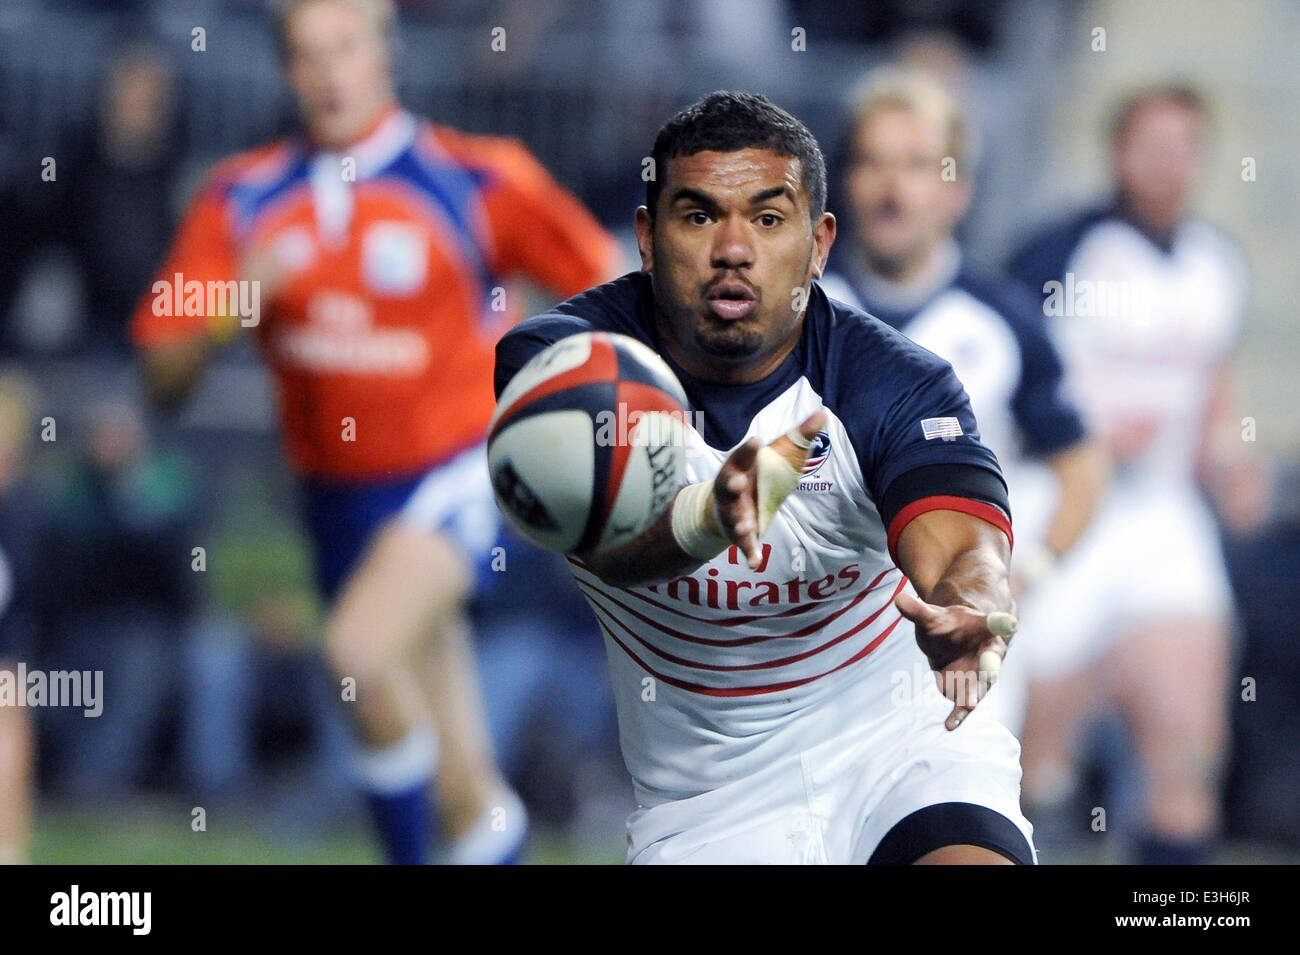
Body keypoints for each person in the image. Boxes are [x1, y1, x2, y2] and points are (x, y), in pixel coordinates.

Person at [130, 0, 618, 864]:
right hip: (333, 500)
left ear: (385, 55)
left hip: (456, 472)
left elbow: (609, 284)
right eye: (306, 55)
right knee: (458, 783)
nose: (329, 73)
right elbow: (159, 373)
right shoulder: (242, 199)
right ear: (285, 70)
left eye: (346, 49)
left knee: (356, 650)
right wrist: (234, 302)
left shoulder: (475, 179)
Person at [495, 90, 1034, 864]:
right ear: (647, 236)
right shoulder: (563, 371)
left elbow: (959, 545)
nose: (734, 248)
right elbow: (610, 547)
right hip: (708, 797)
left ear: (819, 244)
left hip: (900, 742)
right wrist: (707, 517)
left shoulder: (894, 380)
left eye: (769, 218)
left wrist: (976, 601)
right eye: (699, 215)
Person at [1006, 84, 1255, 864]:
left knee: (1187, 745)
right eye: (1152, 143)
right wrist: (1087, 437)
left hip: (1162, 519)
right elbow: (993, 379)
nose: (1169, 162)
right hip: (1069, 507)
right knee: (1027, 759)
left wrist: (1229, 457)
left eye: (1185, 145)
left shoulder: (1217, 261)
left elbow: (1211, 377)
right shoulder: (1058, 254)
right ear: (1117, 152)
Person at [818, 68, 1108, 737]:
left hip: (958, 629)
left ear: (957, 190)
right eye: (872, 164)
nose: (893, 190)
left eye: (917, 165)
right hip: (821, 634)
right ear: (845, 185)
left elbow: (1082, 466)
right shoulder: (797, 315)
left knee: (963, 830)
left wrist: (1022, 576)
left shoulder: (1002, 321)